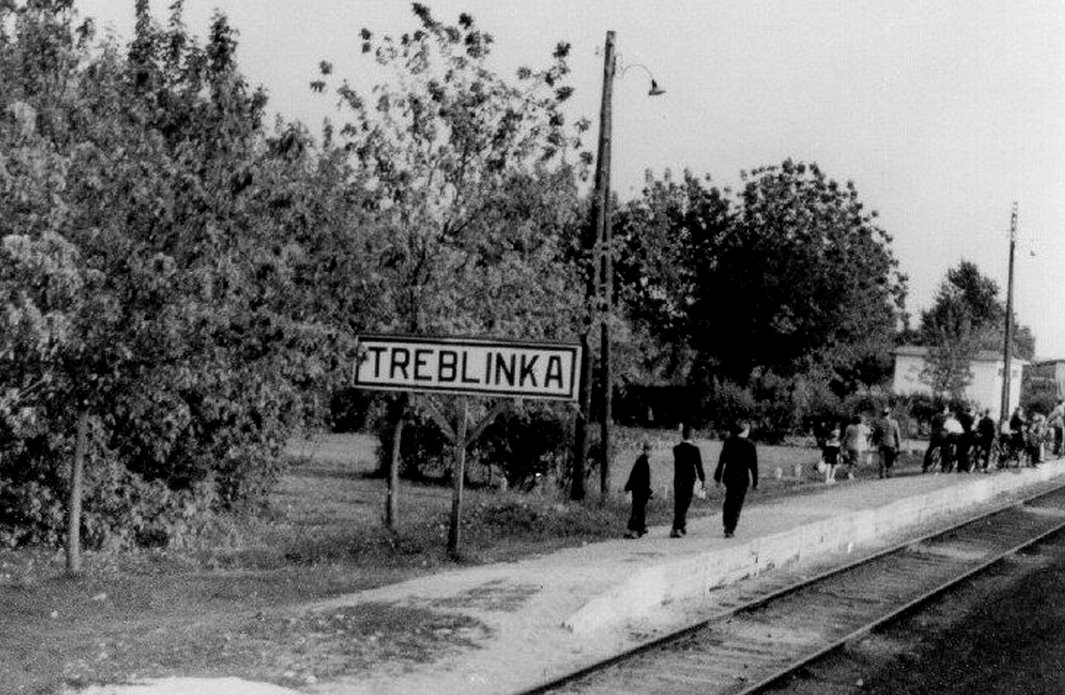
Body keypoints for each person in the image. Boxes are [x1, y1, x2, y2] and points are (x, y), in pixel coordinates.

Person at [714, 420, 758, 538]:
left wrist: (717, 476)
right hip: (742, 478)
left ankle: (726, 523)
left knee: (729, 499)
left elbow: (721, 460)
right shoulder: (750, 445)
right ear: (746, 430)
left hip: (729, 476)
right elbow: (754, 466)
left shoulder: (729, 441)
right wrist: (755, 482)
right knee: (737, 503)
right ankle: (730, 527)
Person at [670, 423, 705, 538]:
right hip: (689, 479)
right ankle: (678, 527)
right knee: (685, 503)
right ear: (691, 435)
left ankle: (679, 525)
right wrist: (702, 479)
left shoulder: (676, 449)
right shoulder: (695, 450)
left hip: (678, 479)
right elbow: (699, 466)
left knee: (678, 503)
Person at [623, 442, 653, 539]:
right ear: (645, 450)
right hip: (641, 491)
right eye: (649, 450)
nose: (650, 453)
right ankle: (638, 531)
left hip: (638, 491)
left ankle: (629, 530)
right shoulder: (643, 462)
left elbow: (633, 475)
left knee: (636, 511)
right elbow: (643, 480)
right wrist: (648, 492)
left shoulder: (640, 461)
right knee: (639, 512)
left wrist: (628, 486)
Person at [873, 407, 902, 479]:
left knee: (882, 459)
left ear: (882, 414)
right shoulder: (894, 422)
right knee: (890, 460)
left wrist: (875, 442)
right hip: (891, 444)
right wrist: (899, 446)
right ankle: (889, 473)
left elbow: (876, 434)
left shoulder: (879, 423)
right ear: (889, 414)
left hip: (882, 444)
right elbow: (897, 435)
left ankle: (882, 474)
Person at [923, 404, 949, 473]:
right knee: (945, 450)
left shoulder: (935, 416)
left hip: (934, 436)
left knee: (930, 450)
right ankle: (944, 467)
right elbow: (947, 427)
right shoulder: (945, 418)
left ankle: (925, 465)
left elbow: (932, 425)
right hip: (942, 436)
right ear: (944, 410)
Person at [842, 415, 864, 480]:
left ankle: (848, 472)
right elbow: (868, 431)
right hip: (857, 446)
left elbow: (845, 436)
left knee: (851, 460)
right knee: (855, 461)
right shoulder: (861, 427)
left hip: (849, 445)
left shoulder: (849, 427)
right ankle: (849, 473)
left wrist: (843, 444)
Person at [956, 405, 975, 473]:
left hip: (961, 434)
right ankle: (966, 467)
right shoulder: (971, 418)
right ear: (970, 411)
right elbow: (972, 427)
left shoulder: (962, 416)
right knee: (967, 451)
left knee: (960, 450)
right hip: (968, 435)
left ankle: (959, 467)